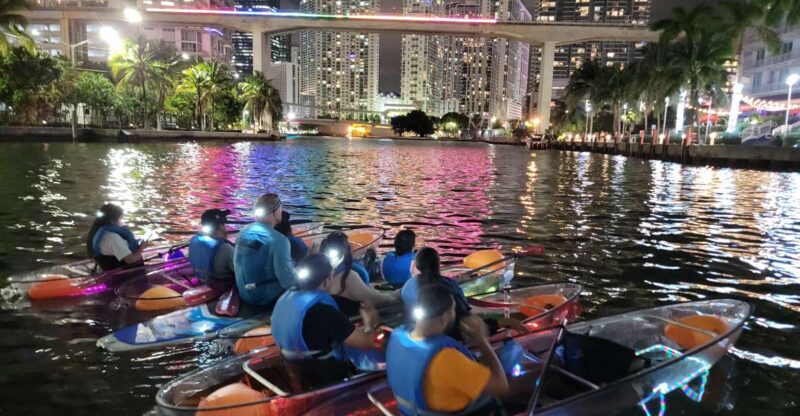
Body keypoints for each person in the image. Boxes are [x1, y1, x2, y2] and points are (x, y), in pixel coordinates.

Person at [386, 284, 509, 415]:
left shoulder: (397, 338)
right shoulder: (446, 359)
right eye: (453, 310)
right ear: (445, 316)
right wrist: (482, 341)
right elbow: (502, 387)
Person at [272, 253, 383, 387]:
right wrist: (371, 321)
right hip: (320, 375)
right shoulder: (323, 311)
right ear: (327, 279)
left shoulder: (286, 297)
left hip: (290, 366)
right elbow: (365, 342)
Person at [402, 247, 527, 340]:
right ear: (438, 265)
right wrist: (504, 322)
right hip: (453, 335)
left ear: (417, 266)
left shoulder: (407, 286)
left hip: (420, 330)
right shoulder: (448, 286)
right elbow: (466, 317)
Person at [234, 193, 296, 308]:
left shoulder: (243, 232)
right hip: (265, 300)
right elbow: (287, 281)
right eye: (281, 208)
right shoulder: (279, 240)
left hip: (244, 294)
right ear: (276, 212)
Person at [319, 231, 398, 316]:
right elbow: (373, 299)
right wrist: (396, 296)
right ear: (346, 251)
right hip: (346, 324)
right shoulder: (347, 277)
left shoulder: (318, 274)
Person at [86, 203, 151, 271]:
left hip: (108, 267)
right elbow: (130, 260)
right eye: (120, 218)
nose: (122, 222)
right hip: (124, 273)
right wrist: (142, 247)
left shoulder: (98, 231)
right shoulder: (113, 238)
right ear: (112, 221)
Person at [188, 209, 235, 284]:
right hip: (221, 288)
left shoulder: (194, 241)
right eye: (224, 224)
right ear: (220, 226)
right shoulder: (226, 248)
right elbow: (241, 272)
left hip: (201, 281)